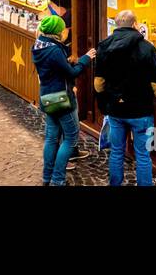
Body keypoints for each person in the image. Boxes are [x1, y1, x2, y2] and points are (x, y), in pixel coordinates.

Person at [94, 9, 156, 186]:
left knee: (116, 152)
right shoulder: (147, 48)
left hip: (115, 110)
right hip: (141, 111)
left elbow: (99, 83)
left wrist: (104, 106)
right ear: (135, 25)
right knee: (143, 155)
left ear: (116, 25)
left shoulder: (104, 47)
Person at [31, 14, 95, 186]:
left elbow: (56, 69)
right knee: (71, 138)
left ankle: (47, 177)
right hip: (62, 99)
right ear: (56, 32)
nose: (66, 31)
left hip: (47, 97)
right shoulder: (54, 51)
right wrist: (86, 59)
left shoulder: (38, 46)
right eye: (63, 28)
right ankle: (58, 179)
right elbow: (72, 73)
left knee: (51, 138)